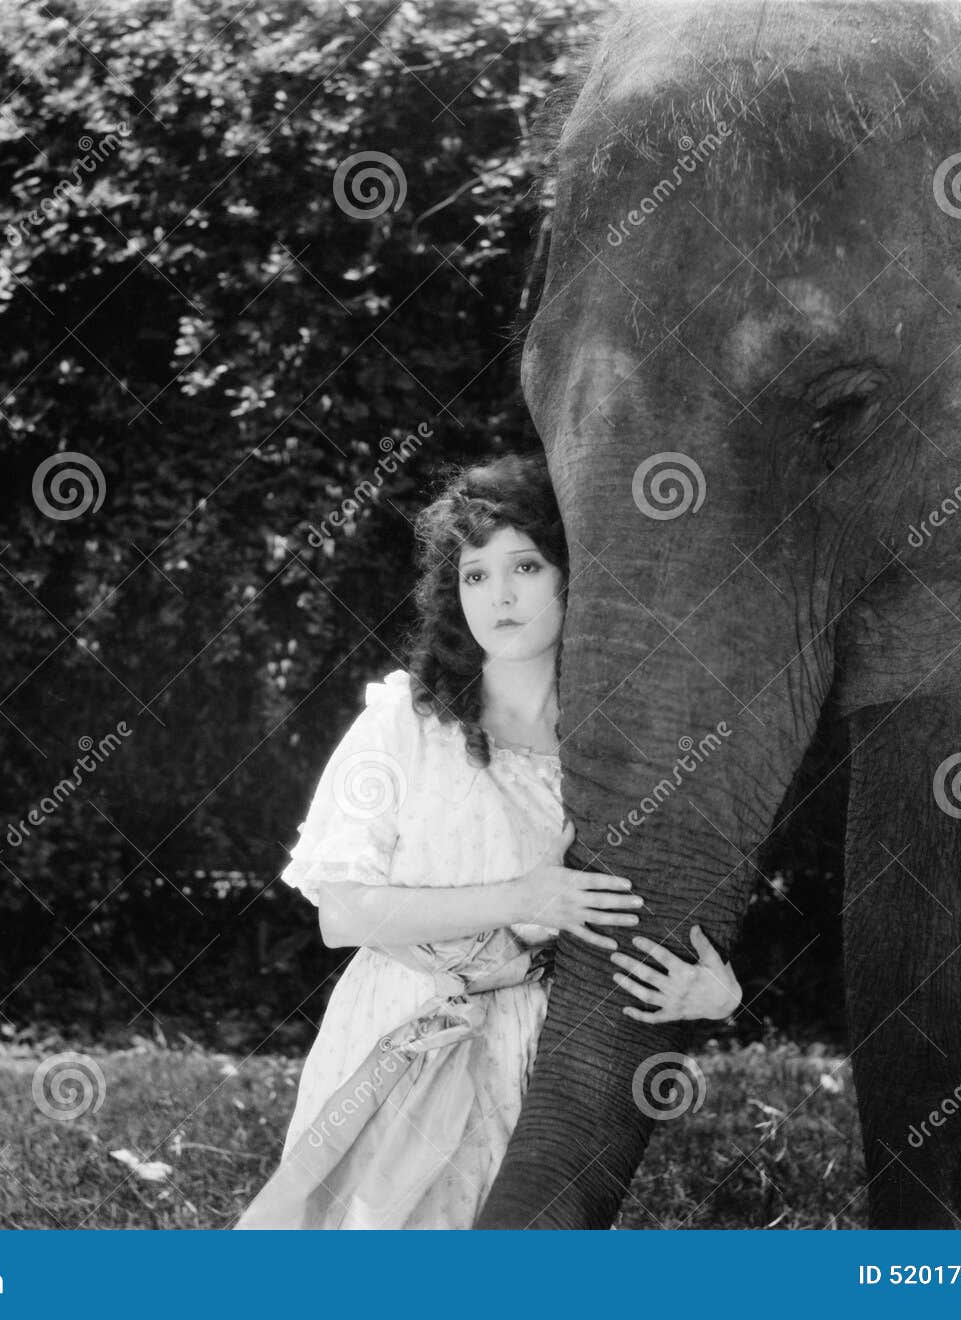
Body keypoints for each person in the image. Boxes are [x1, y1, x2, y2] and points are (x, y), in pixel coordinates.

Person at [235, 452, 741, 1230]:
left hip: (539, 1062)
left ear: (575, 579)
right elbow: (342, 913)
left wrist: (718, 997)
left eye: (526, 567)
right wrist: (520, 897)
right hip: (397, 1030)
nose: (499, 595)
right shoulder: (405, 724)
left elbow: (648, 920)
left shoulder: (615, 752)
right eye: (475, 575)